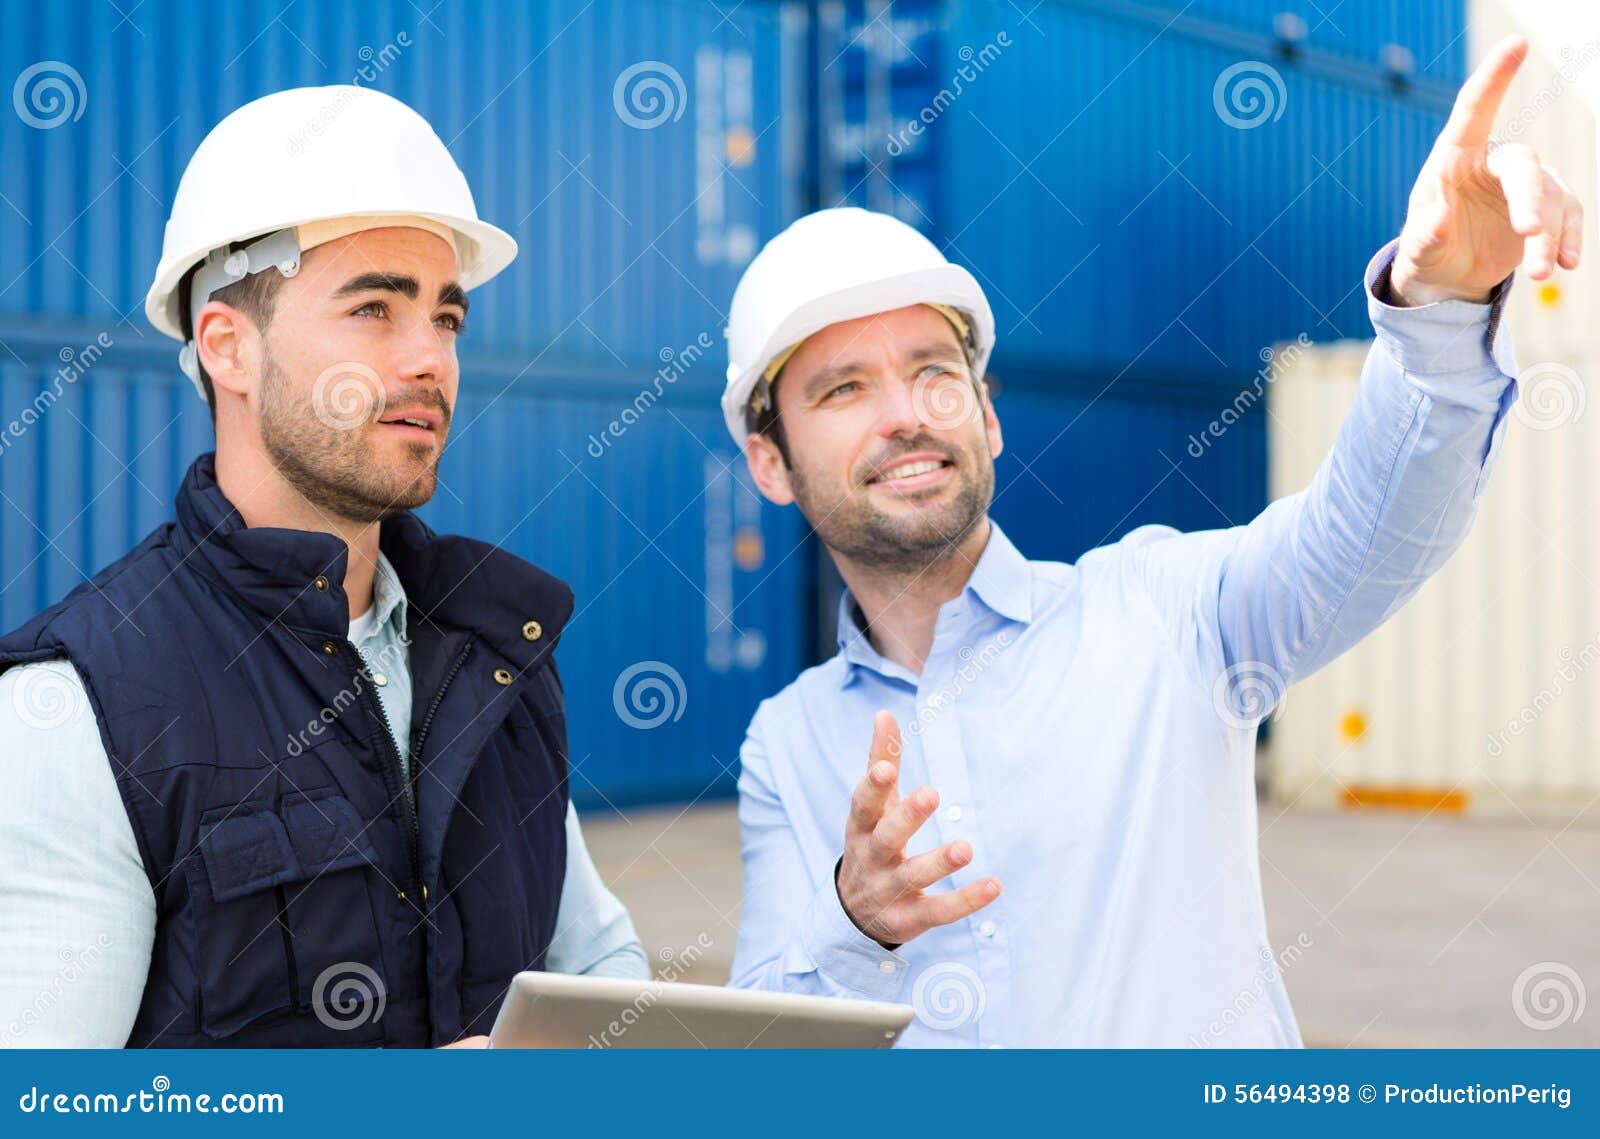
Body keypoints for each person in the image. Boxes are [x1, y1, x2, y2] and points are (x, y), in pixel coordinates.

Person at [723, 37, 1582, 1046]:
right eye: (843, 388)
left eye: (931, 369)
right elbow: (754, 1055)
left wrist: (1438, 307)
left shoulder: (1167, 612)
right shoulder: (786, 746)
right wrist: (850, 916)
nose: (907, 413)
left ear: (988, 418)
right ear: (769, 463)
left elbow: (1373, 526)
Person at [0, 86, 646, 1049]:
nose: (431, 358)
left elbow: (597, 973)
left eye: (448, 318)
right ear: (229, 347)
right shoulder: (80, 704)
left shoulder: (493, 650)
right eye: (375, 308)